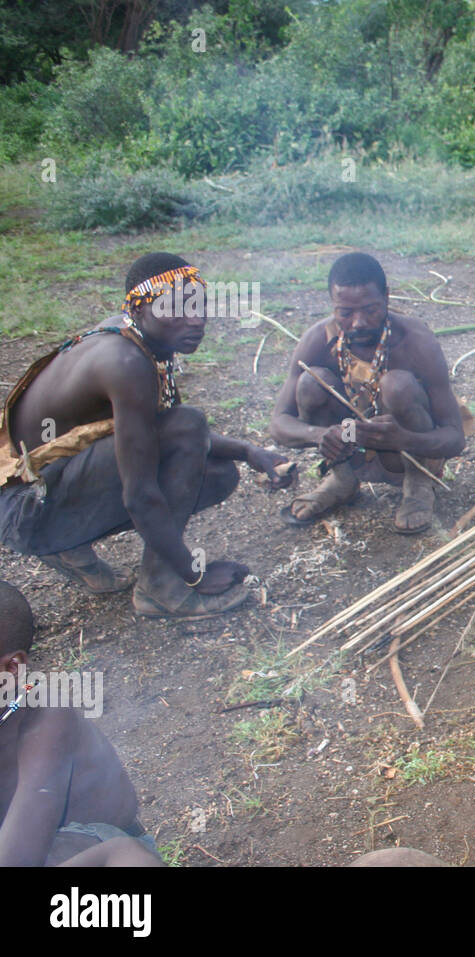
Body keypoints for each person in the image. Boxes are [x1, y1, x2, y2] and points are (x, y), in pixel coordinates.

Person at [0, 253, 294, 618]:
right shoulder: (124, 362)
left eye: (199, 306)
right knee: (190, 428)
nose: (195, 320)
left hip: (39, 493)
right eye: (175, 309)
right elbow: (141, 491)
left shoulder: (139, 337)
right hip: (24, 511)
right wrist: (192, 573)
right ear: (138, 310)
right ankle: (160, 586)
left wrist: (248, 451)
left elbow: (165, 431)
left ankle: (68, 546)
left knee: (218, 473)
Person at [270, 253, 473, 535]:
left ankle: (417, 486)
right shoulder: (317, 340)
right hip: (352, 447)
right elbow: (279, 424)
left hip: (406, 453)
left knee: (397, 385)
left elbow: (455, 438)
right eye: (345, 312)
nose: (358, 322)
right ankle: (343, 479)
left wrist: (405, 439)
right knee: (310, 382)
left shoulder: (416, 341)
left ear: (387, 297)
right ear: (332, 304)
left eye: (370, 309)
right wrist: (320, 435)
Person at [0, 581, 162, 866]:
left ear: (12, 668)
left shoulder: (45, 715)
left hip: (86, 842)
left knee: (129, 859)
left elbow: (17, 858)